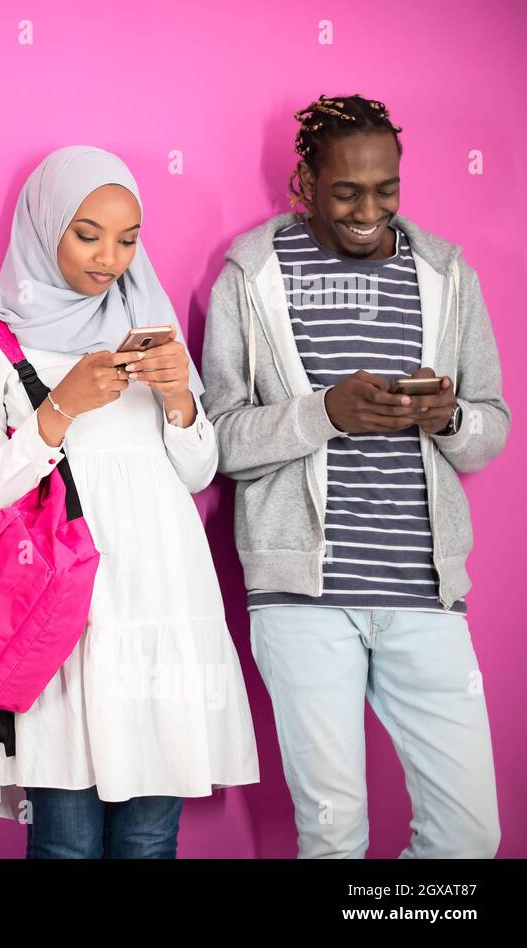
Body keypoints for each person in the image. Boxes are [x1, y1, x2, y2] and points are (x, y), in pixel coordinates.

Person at [200, 95, 508, 858]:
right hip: (303, 598)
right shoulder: (253, 272)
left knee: (470, 836)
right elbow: (219, 441)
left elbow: (490, 424)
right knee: (332, 838)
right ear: (305, 182)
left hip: (424, 593)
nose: (369, 210)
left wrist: (448, 420)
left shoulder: (444, 273)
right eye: (346, 192)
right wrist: (325, 412)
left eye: (386, 189)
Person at [0, 146, 259, 859]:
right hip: (59, 621)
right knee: (67, 843)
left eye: (127, 238)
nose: (109, 257)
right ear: (44, 224)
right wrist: (59, 410)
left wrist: (179, 396)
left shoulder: (151, 322)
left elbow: (198, 473)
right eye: (87, 233)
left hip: (162, 599)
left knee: (150, 839)